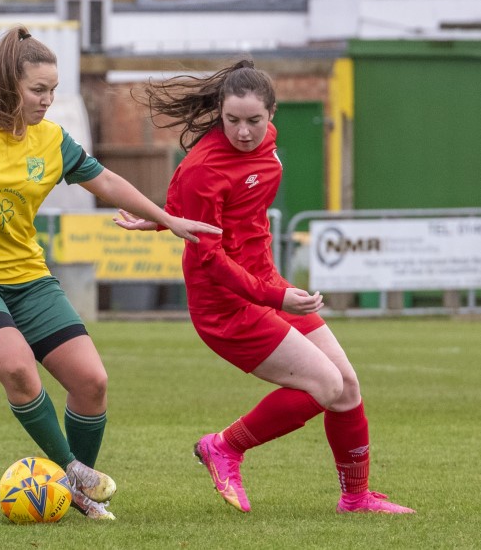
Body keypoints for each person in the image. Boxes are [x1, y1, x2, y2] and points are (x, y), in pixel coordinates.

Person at [0, 25, 221, 521]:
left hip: (28, 279)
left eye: (53, 89)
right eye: (39, 90)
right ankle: (72, 470)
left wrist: (168, 218)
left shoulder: (51, 139)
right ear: (8, 85)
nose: (49, 99)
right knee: (17, 368)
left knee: (92, 381)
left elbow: (108, 180)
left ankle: (77, 495)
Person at [114, 59, 415, 515]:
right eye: (232, 120)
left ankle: (356, 499)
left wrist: (161, 218)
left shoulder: (267, 143)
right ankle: (223, 446)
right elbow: (208, 255)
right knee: (325, 386)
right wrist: (274, 296)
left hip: (266, 285)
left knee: (347, 387)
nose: (243, 131)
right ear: (220, 113)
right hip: (227, 305)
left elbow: (208, 213)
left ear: (272, 113)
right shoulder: (204, 167)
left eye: (254, 120)